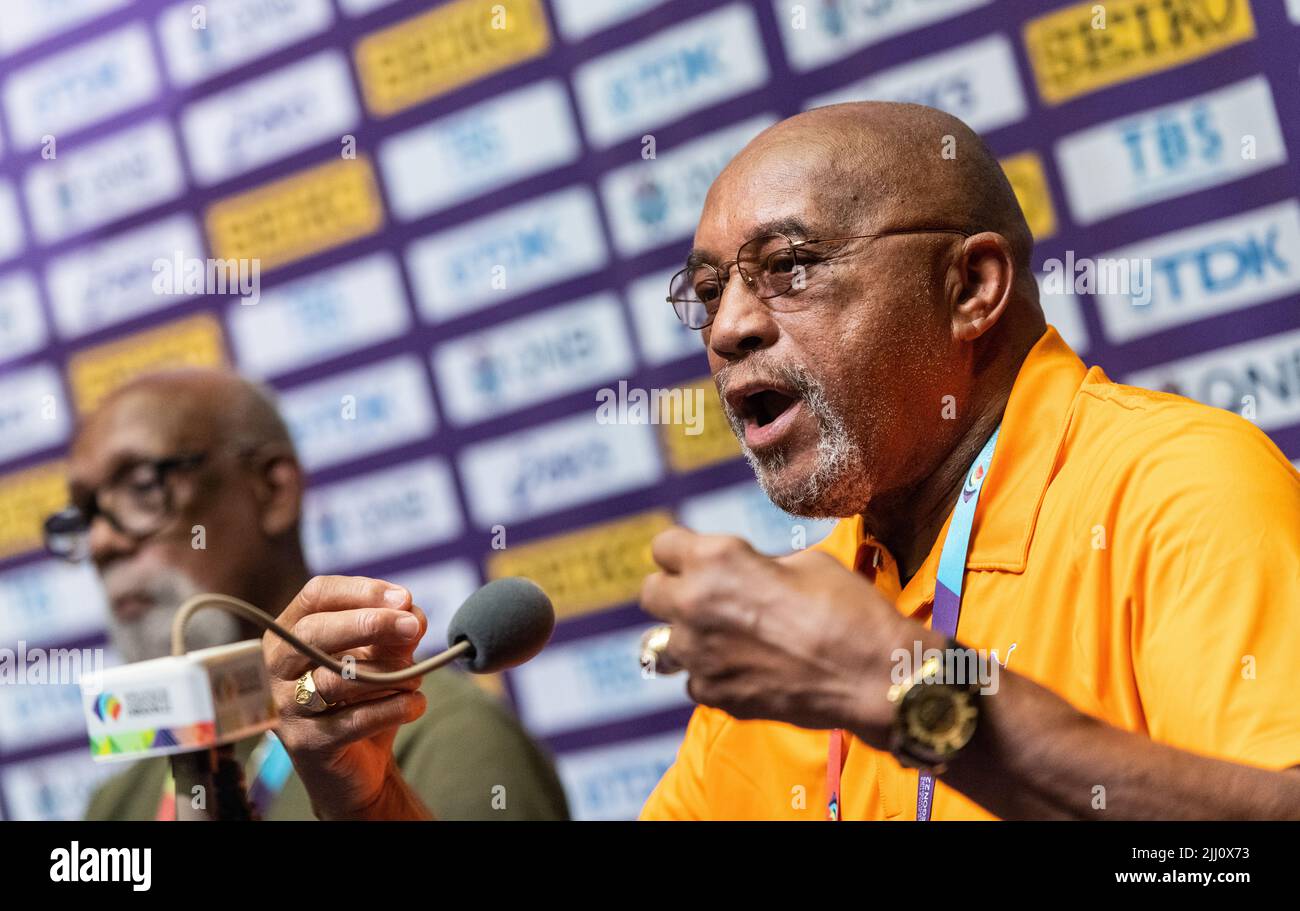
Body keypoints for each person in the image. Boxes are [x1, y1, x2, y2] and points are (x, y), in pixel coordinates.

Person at [243, 101, 1300, 821]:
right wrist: (363, 791)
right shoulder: (816, 600)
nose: (729, 327)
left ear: (971, 288)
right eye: (707, 292)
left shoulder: (1176, 486)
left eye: (788, 268)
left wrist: (905, 694)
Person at [49, 369, 569, 821]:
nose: (101, 541)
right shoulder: (115, 804)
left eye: (142, 485)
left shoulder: (436, 735)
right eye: (85, 514)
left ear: (272, 491)